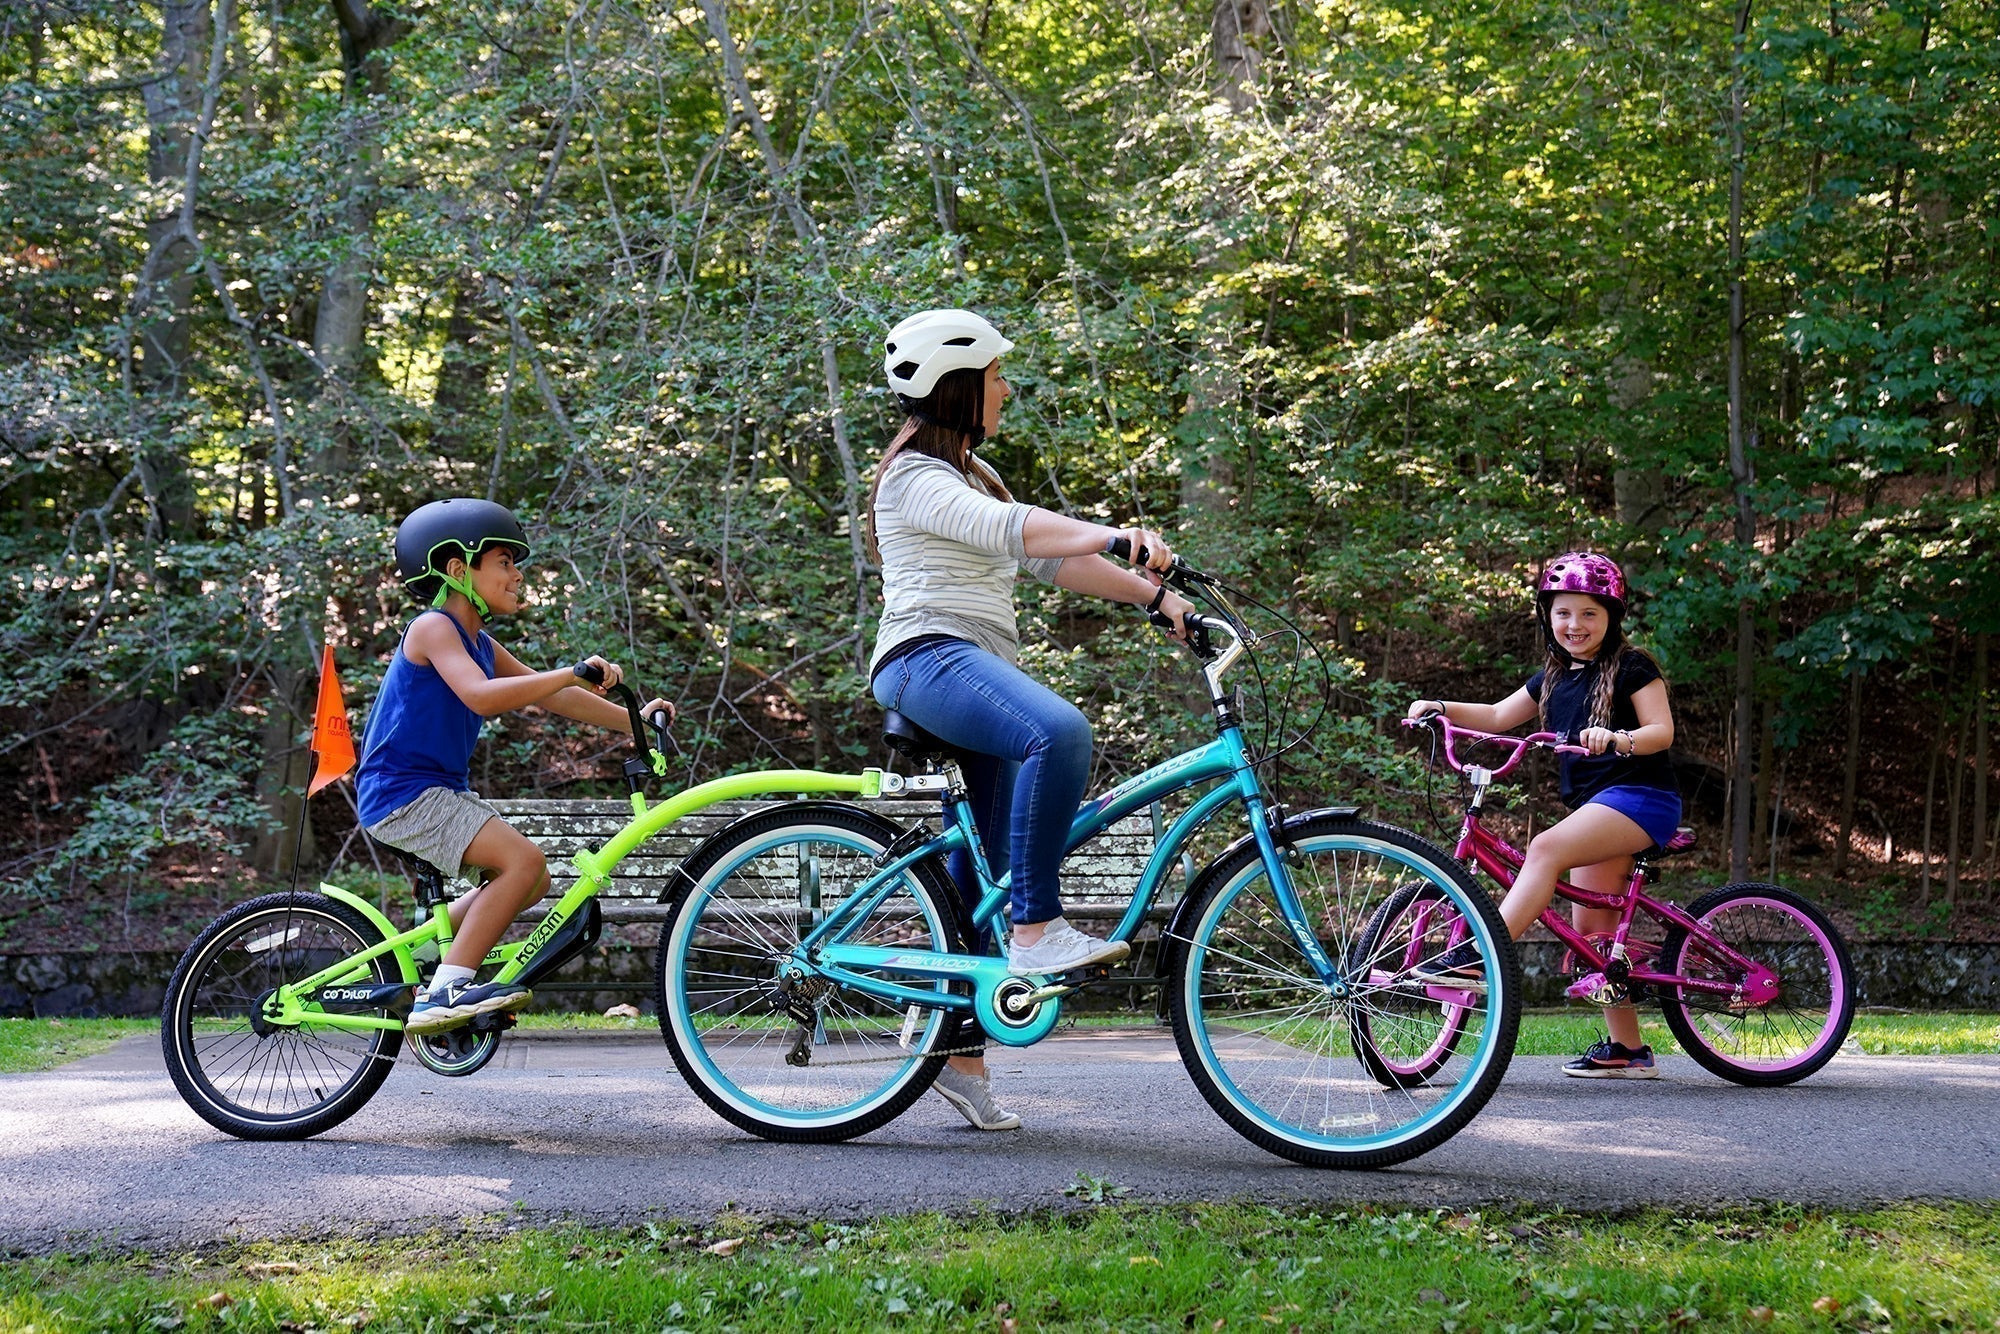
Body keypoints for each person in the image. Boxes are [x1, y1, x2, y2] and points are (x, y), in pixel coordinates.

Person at [867, 308, 1198, 1130]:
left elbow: (1049, 559)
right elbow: (1010, 530)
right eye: (996, 376)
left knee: (986, 873)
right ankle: (1039, 929)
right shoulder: (915, 477)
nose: (1007, 389)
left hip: (969, 665)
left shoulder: (972, 473)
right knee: (1059, 731)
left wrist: (1157, 598)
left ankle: (956, 1047)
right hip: (927, 657)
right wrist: (1114, 533)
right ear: (957, 385)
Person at [356, 498, 672, 1036]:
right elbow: (481, 695)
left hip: (434, 790)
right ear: (458, 570)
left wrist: (634, 722)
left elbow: (553, 697)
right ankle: (446, 989)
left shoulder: (479, 642)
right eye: (504, 561)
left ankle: (426, 947)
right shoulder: (432, 628)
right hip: (401, 791)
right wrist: (568, 671)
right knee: (522, 862)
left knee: (533, 879)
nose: (518, 574)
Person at [1404, 550, 1679, 1079]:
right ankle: (1629, 1051)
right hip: (1598, 808)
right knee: (1594, 939)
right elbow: (1497, 716)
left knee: (1545, 848)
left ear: (1612, 617)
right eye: (1563, 612)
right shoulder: (1552, 677)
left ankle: (1479, 955)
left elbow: (1661, 731)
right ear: (1547, 616)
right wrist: (1441, 708)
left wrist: (1617, 738)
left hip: (1642, 797)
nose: (1575, 624)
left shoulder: (1633, 667)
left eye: (1589, 613)